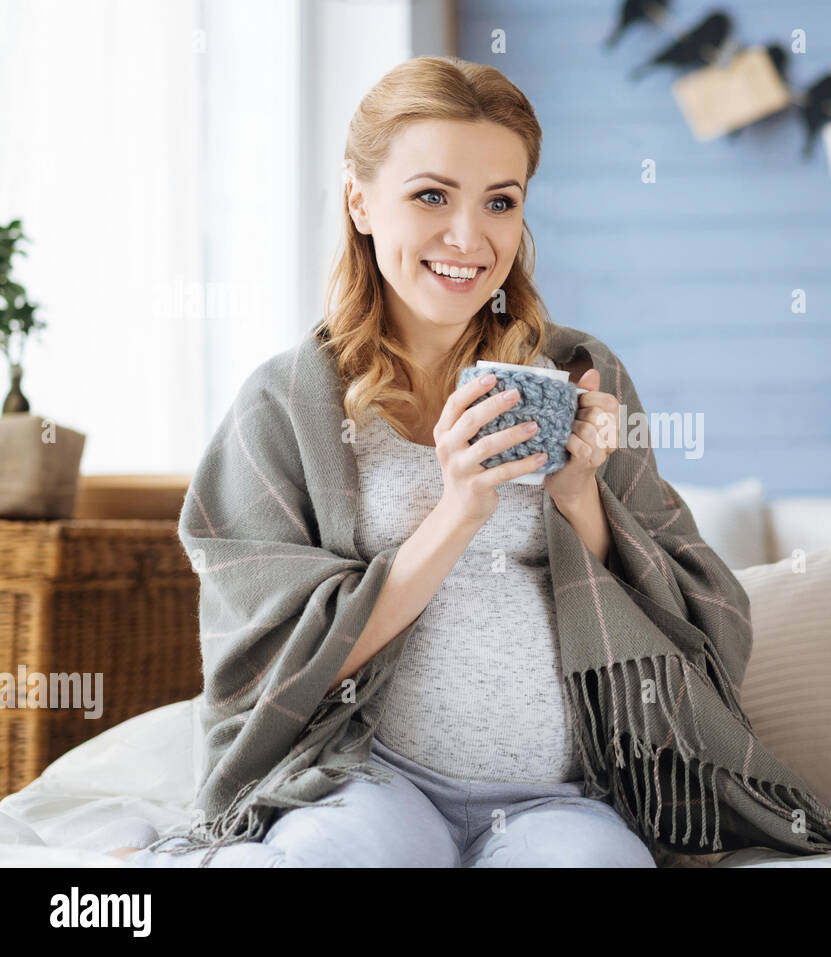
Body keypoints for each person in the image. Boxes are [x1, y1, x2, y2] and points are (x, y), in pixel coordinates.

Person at [102, 55, 654, 867]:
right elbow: (277, 664)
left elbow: (667, 609)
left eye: (500, 201)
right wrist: (458, 510)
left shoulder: (577, 372)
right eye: (432, 194)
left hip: (556, 796)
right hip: (366, 776)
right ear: (360, 201)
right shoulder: (288, 406)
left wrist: (580, 498)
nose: (470, 237)